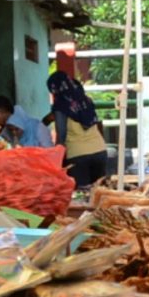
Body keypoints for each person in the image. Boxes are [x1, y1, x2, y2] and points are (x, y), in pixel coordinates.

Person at [46, 41, 113, 189]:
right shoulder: (86, 101)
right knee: (100, 192)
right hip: (99, 150)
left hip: (78, 155)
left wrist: (55, 159)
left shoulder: (61, 106)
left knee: (82, 196)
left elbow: (61, 136)